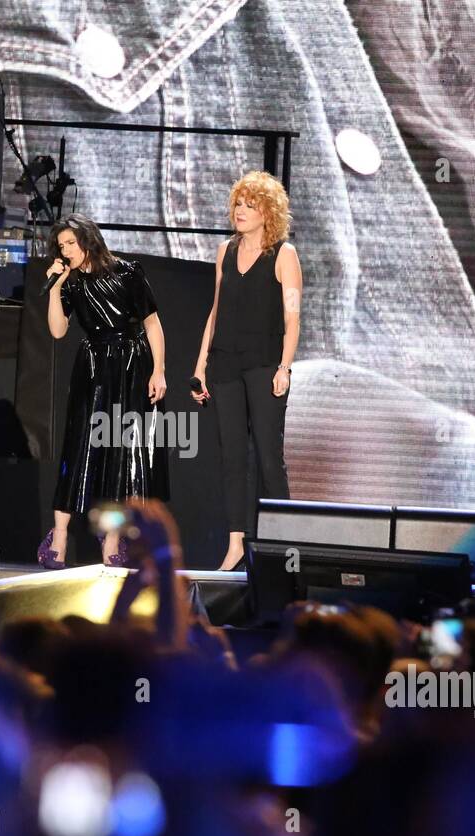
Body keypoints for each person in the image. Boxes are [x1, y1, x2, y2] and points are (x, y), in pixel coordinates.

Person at [38, 214, 169, 568]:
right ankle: (59, 537)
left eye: (70, 243)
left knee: (122, 452)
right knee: (80, 447)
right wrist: (55, 288)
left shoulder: (127, 272)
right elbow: (57, 330)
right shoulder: (71, 283)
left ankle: (112, 539)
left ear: (87, 240)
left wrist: (158, 370)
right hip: (93, 366)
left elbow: (152, 323)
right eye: (60, 246)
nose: (65, 251)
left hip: (130, 364)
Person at [192, 172, 302, 570]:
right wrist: (200, 365)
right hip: (225, 364)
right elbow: (216, 311)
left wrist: (285, 367)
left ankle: (283, 546)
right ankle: (235, 544)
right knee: (232, 457)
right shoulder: (226, 250)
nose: (240, 210)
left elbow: (293, 318)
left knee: (269, 459)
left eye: (249, 205)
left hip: (264, 364)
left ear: (267, 213)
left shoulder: (283, 255)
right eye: (238, 203)